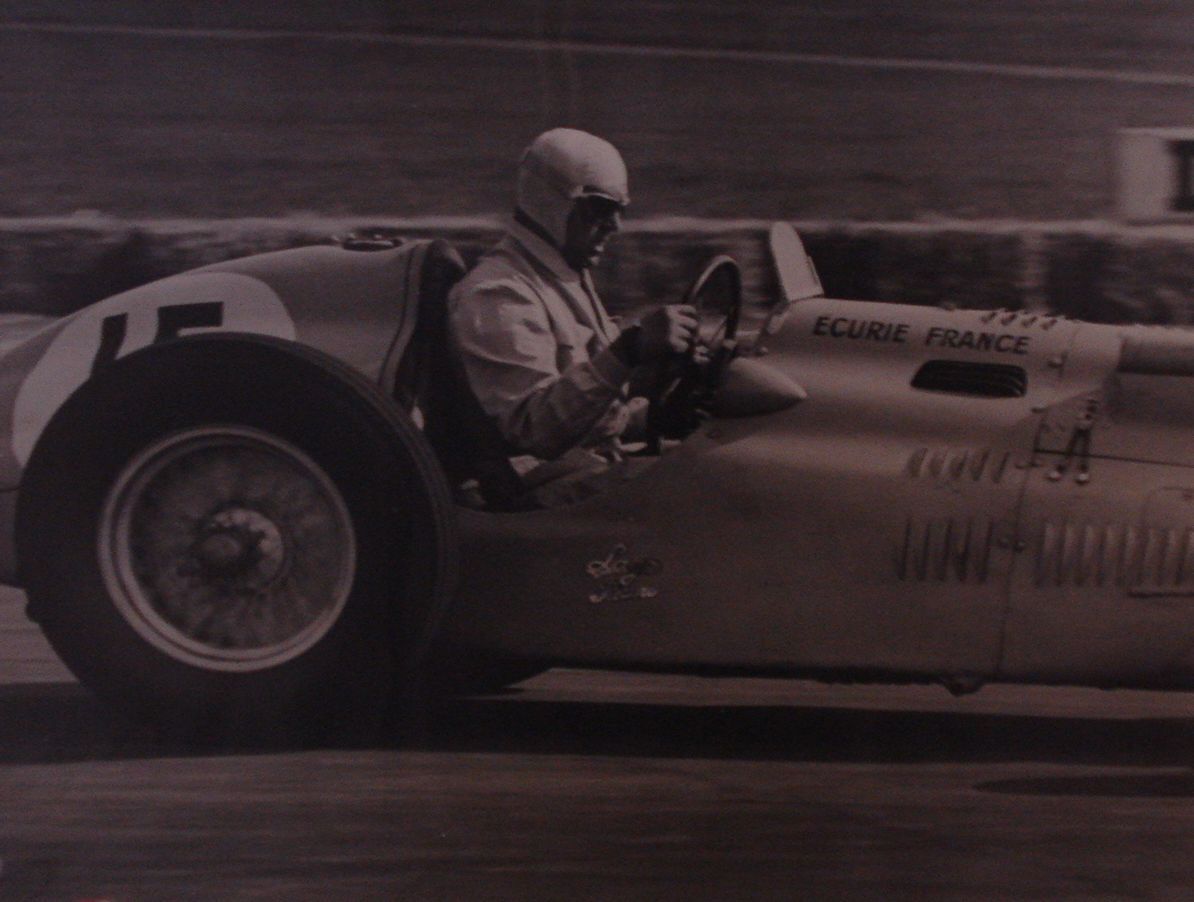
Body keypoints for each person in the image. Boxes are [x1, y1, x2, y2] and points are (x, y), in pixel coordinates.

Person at [448, 128, 701, 508]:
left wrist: (671, 394)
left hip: (587, 468)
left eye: (620, 211)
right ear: (553, 204)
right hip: (535, 492)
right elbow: (533, 430)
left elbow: (597, 417)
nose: (615, 226)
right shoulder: (497, 293)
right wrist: (629, 350)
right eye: (601, 209)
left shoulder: (562, 275)